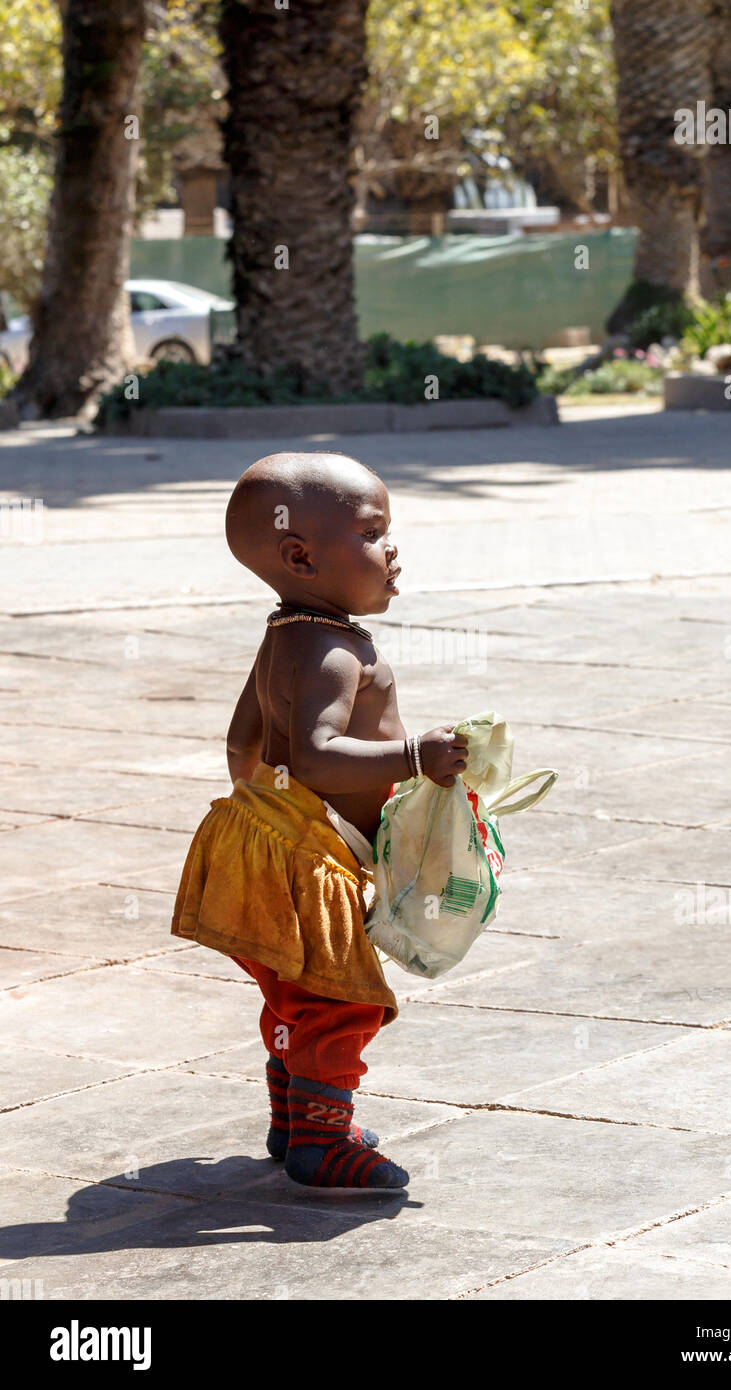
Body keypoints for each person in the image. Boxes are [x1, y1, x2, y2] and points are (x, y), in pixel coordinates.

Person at [171, 451, 468, 1190]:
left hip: (260, 848)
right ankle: (322, 1143)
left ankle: (297, 1117)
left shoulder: (286, 634)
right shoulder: (335, 652)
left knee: (293, 996)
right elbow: (314, 756)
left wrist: (264, 822)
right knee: (342, 1001)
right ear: (300, 555)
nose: (391, 549)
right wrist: (412, 756)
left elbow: (244, 743)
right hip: (307, 864)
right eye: (372, 533)